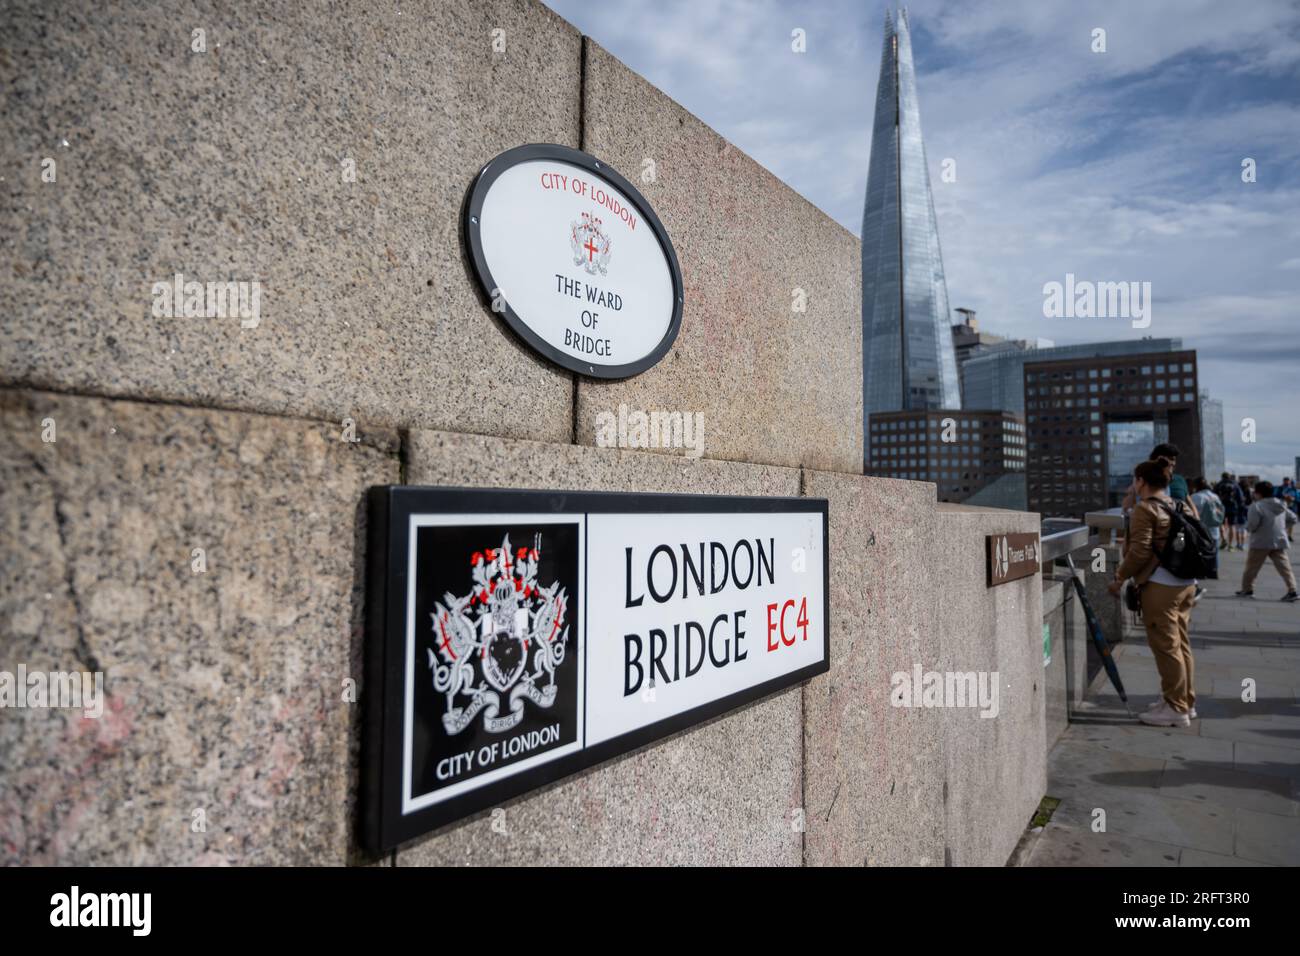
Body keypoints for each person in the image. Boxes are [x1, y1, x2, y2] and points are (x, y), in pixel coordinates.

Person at [1109, 457, 1198, 727]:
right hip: (1185, 583)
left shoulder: (1145, 509)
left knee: (1167, 648)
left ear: (1141, 481)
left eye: (1134, 481)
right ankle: (1183, 701)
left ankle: (1175, 709)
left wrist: (1119, 577)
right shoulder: (1177, 504)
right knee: (1181, 645)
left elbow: (1140, 551)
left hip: (1161, 586)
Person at [1236, 480, 1299, 602]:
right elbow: (1294, 518)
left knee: (1252, 567)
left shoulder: (1257, 506)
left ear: (1259, 493)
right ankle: (1293, 591)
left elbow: (1253, 524)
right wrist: (1282, 528)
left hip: (1260, 541)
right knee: (1285, 568)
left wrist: (1248, 529)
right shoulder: (1281, 504)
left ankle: (1247, 589)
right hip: (1278, 540)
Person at [1189, 477, 1223, 579]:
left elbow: (1193, 513)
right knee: (1214, 550)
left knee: (1201, 551)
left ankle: (1202, 571)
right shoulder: (1215, 496)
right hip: (1214, 528)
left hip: (1202, 529)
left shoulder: (1196, 497)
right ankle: (1214, 571)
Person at [1215, 472, 1246, 550]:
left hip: (1221, 507)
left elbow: (1214, 495)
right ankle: (1230, 545)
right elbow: (1240, 497)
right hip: (1233, 507)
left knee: (1221, 524)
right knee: (1232, 526)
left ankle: (1224, 539)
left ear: (1222, 477)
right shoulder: (1235, 485)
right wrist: (1240, 507)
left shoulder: (1219, 484)